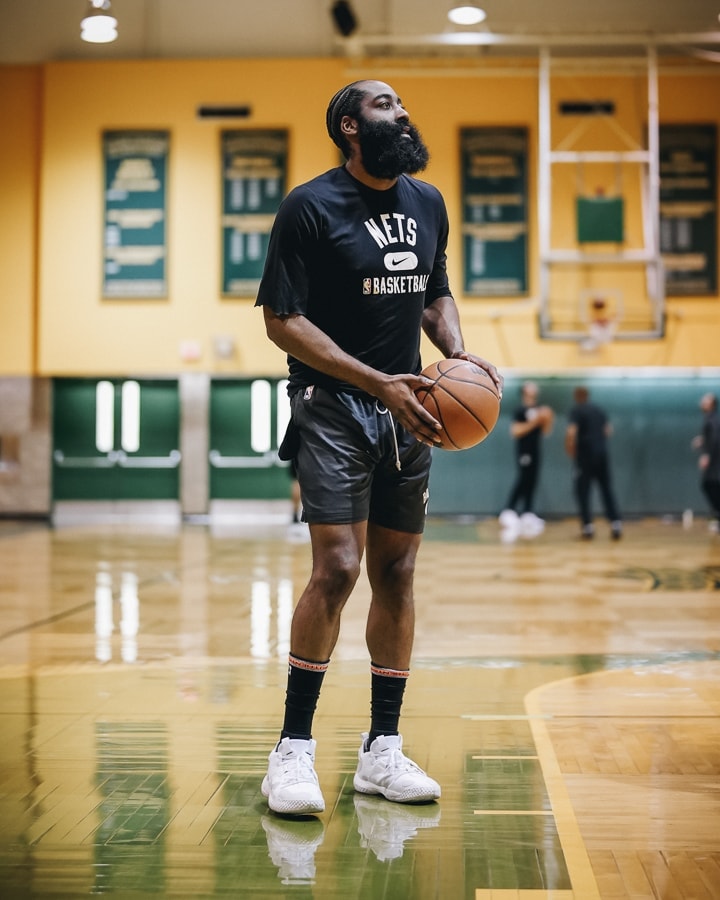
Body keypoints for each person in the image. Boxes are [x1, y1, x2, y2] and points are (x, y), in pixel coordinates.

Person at [254, 79, 502, 816]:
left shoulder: (427, 203)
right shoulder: (310, 206)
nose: (401, 111)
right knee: (337, 566)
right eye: (385, 103)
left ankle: (380, 751)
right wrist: (376, 382)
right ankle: (292, 751)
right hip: (332, 405)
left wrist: (457, 358)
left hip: (410, 411)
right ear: (349, 125)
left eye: (400, 103)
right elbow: (282, 320)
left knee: (397, 570)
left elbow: (434, 292)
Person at [564, 386, 622, 540]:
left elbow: (571, 432)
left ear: (576, 396)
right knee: (606, 489)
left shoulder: (577, 411)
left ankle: (587, 527)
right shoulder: (598, 410)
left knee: (583, 491)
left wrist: (570, 449)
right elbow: (608, 430)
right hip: (602, 454)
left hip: (585, 455)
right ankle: (615, 523)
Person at [498, 381, 553, 538]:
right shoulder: (520, 410)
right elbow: (515, 431)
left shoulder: (539, 409)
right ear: (524, 391)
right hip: (524, 451)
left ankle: (528, 513)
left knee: (532, 480)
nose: (534, 386)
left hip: (536, 451)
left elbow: (547, 431)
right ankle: (508, 511)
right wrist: (535, 421)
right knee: (523, 479)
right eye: (530, 385)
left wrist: (548, 418)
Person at [692, 392, 720, 532]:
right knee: (710, 485)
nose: (702, 401)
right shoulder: (710, 419)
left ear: (711, 404)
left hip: (714, 463)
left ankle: (716, 515)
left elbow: (715, 438)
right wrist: (702, 442)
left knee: (710, 485)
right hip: (714, 462)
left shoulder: (712, 419)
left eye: (706, 399)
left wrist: (706, 455)